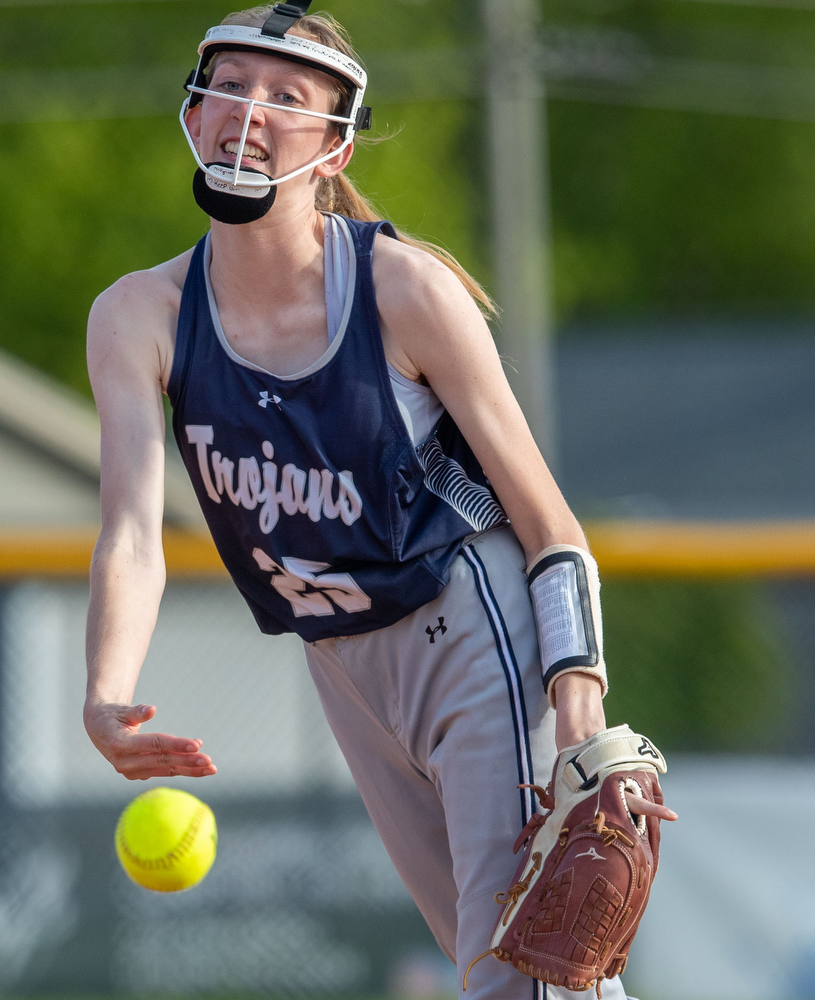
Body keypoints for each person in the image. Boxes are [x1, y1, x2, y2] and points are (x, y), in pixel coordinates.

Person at [82, 5, 677, 998]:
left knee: (518, 971)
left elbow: (548, 522)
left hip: (468, 629)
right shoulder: (138, 315)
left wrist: (577, 697)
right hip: (340, 663)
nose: (250, 112)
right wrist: (106, 692)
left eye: (286, 98)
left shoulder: (402, 288)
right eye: (228, 86)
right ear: (191, 116)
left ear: (334, 143)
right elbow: (132, 534)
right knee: (520, 966)